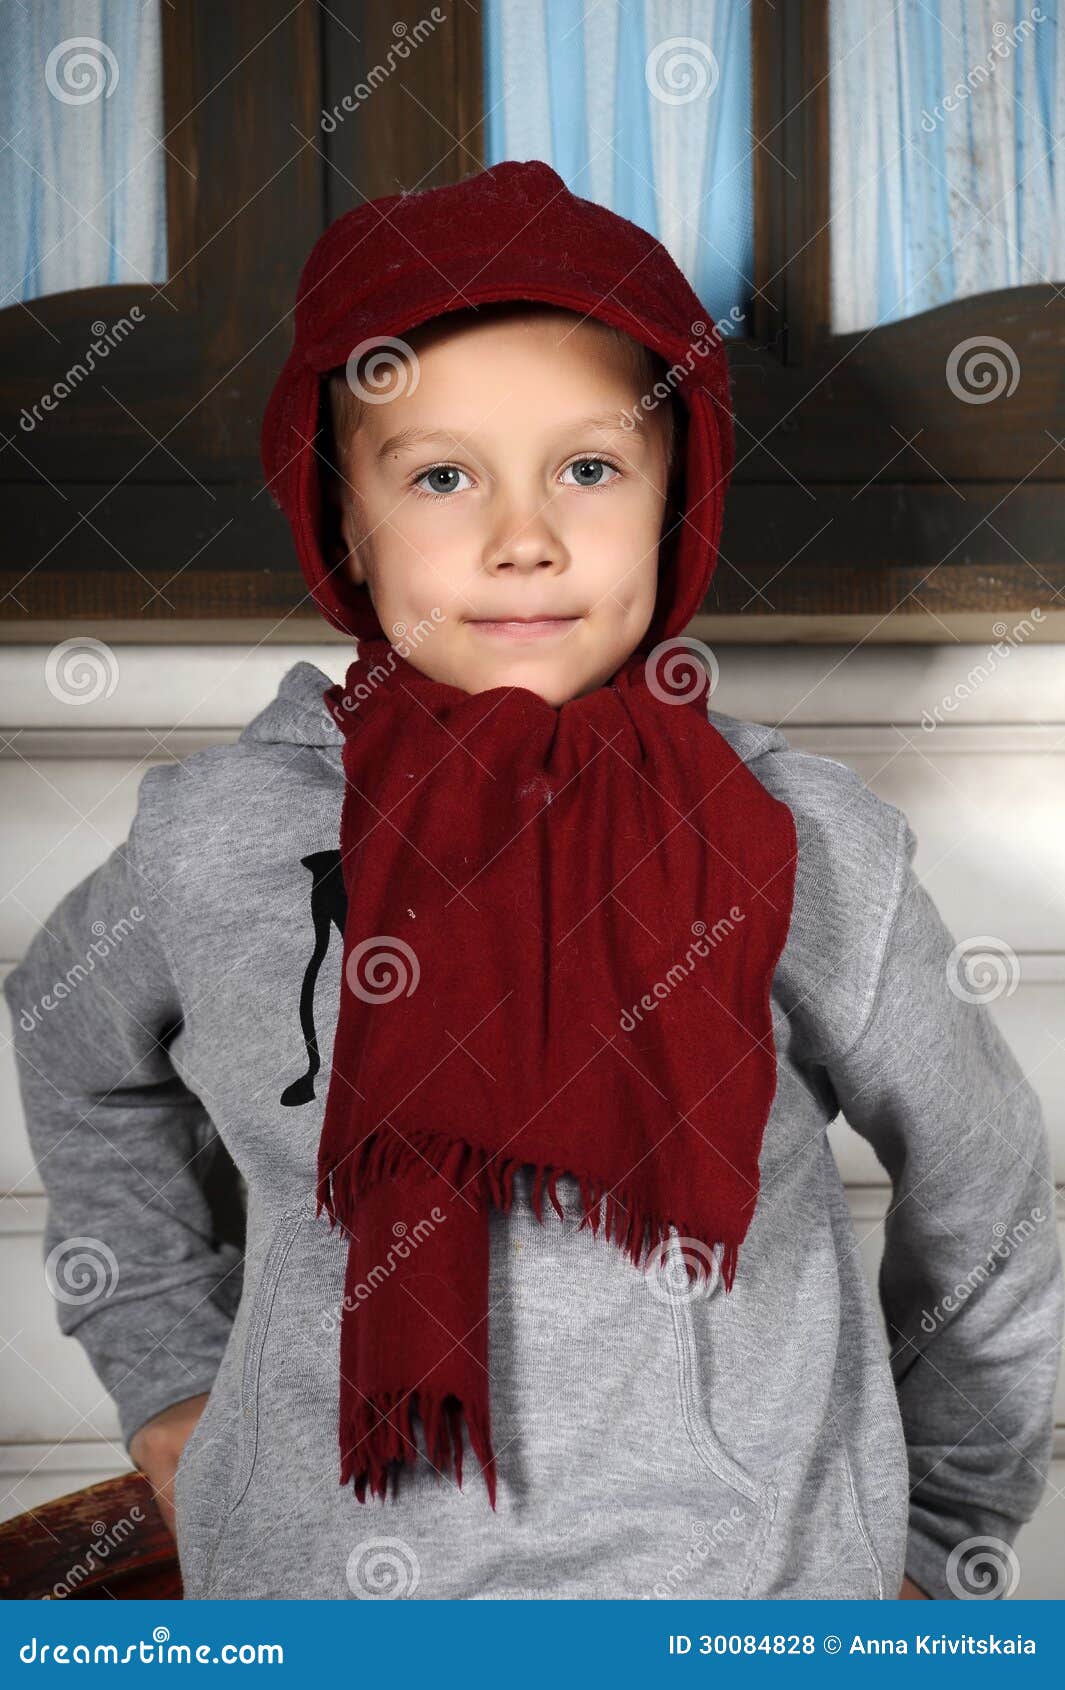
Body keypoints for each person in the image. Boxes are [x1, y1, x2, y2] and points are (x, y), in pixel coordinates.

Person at [5, 161, 1061, 1602]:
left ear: (674, 490)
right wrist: (164, 1365)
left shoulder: (800, 843)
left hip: (751, 1606)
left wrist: (941, 1542)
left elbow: (989, 1196)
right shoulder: (218, 836)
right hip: (317, 1606)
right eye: (441, 475)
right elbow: (72, 1043)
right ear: (344, 521)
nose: (524, 536)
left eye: (589, 466)